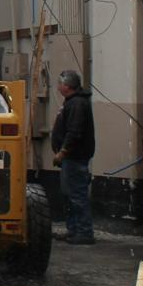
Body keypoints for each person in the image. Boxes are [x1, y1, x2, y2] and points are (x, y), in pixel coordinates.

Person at [51, 70, 96, 244]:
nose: (58, 87)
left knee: (76, 195)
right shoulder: (73, 102)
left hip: (74, 158)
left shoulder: (76, 104)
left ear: (67, 86)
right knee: (70, 195)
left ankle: (83, 232)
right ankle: (74, 230)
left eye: (60, 83)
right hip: (72, 158)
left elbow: (75, 131)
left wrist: (63, 151)